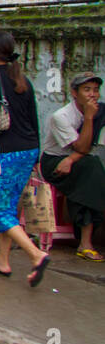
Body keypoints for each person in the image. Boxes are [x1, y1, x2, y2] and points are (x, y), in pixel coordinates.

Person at [0, 32, 48, 285]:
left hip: (7, 150)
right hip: (28, 149)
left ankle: (36, 254)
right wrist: (36, 153)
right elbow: (33, 116)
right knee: (9, 206)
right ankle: (2, 261)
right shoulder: (21, 78)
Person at [41, 72, 105, 261]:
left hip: (79, 163)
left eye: (96, 90)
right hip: (55, 163)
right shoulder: (61, 117)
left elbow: (93, 149)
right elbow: (83, 147)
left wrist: (72, 160)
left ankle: (86, 241)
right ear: (74, 93)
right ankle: (85, 243)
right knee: (90, 173)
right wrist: (89, 118)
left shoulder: (101, 111)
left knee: (91, 171)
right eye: (87, 90)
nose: (92, 95)